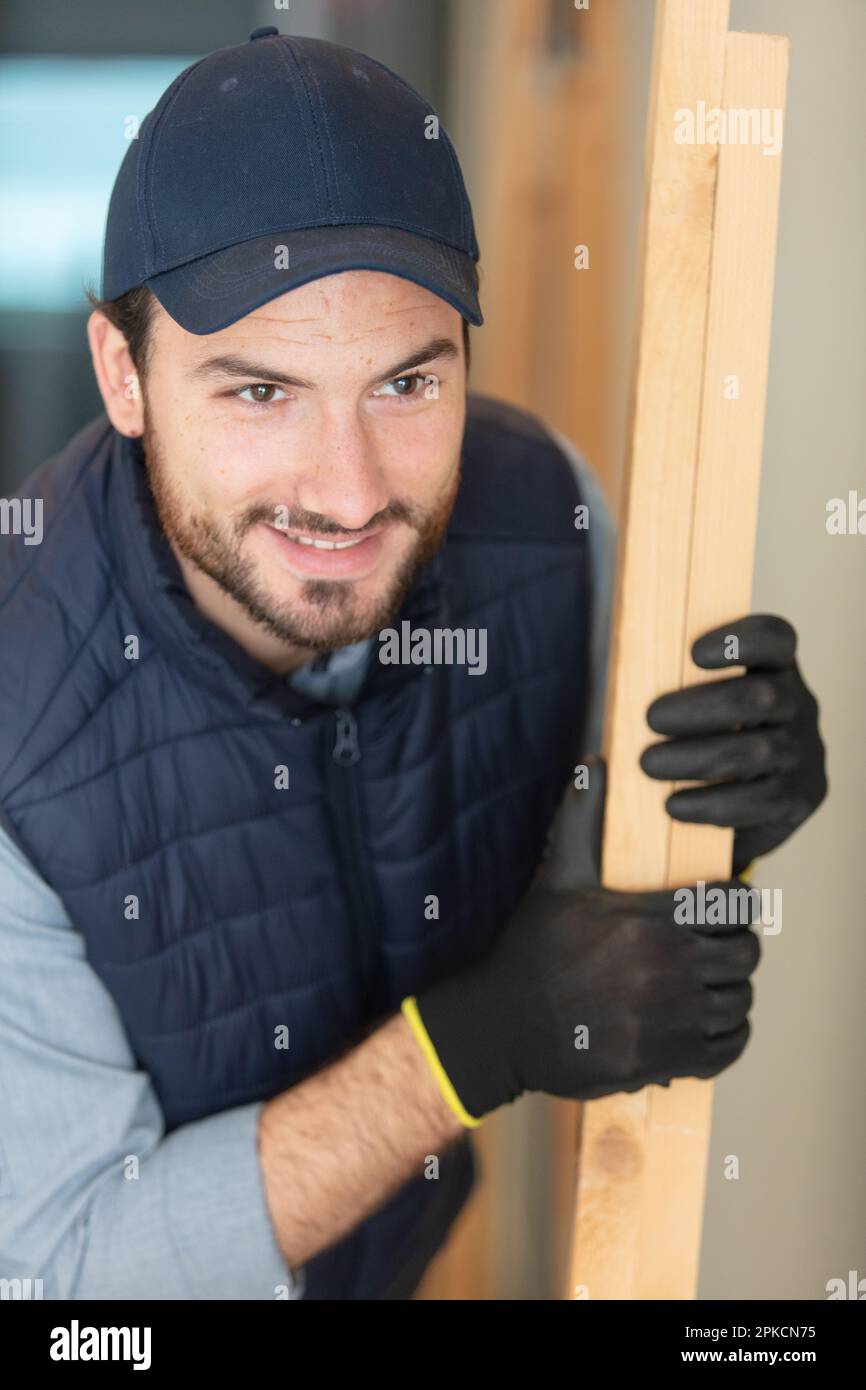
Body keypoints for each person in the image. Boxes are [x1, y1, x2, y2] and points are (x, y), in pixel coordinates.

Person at [0, 28, 826, 1301]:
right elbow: (67, 1277)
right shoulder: (18, 717)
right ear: (125, 374)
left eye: (402, 383)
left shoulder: (542, 522)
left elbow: (596, 927)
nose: (347, 490)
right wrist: (469, 1049)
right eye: (259, 393)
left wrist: (721, 815)